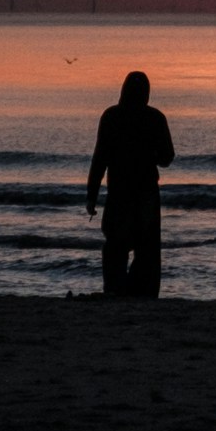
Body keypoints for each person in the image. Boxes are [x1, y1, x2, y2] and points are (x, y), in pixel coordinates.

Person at [84, 70, 173, 297]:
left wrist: (91, 194)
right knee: (147, 248)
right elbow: (167, 158)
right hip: (145, 192)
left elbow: (99, 159)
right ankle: (142, 292)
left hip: (120, 192)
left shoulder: (111, 117)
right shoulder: (155, 118)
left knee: (116, 245)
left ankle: (115, 290)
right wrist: (149, 154)